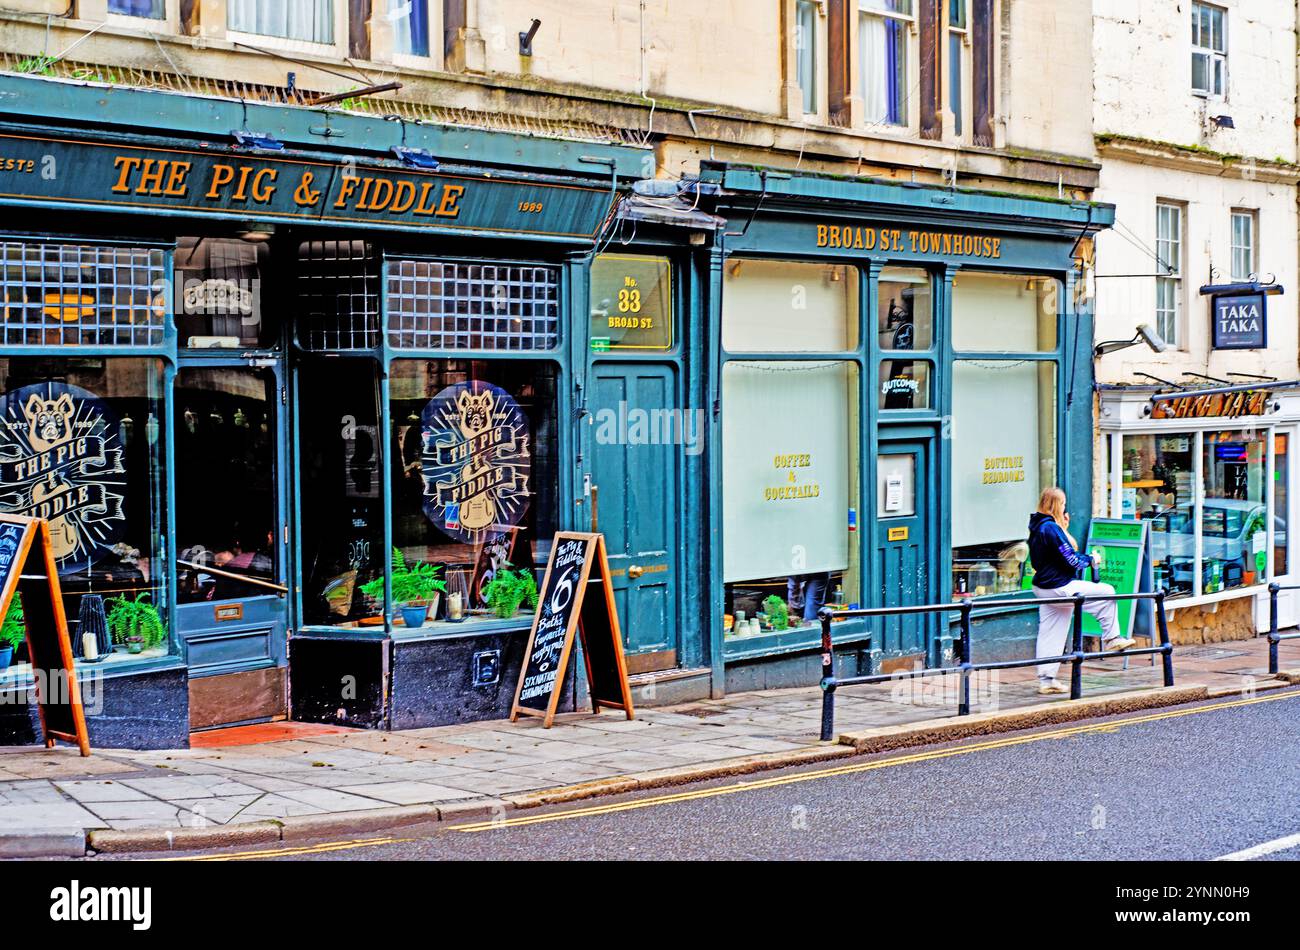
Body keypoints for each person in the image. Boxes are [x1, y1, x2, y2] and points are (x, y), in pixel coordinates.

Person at [1028, 487, 1135, 695]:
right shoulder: (1050, 528)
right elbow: (1072, 560)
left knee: (1051, 631)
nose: (1065, 507)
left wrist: (1064, 530)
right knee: (1107, 591)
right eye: (1064, 504)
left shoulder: (1038, 526)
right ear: (1057, 505)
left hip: (1042, 587)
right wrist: (1091, 559)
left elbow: (1061, 554)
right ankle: (1112, 637)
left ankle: (1047, 680)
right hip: (1059, 586)